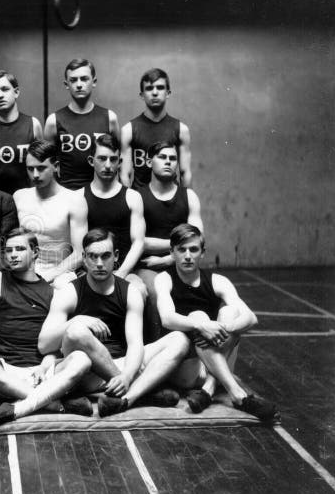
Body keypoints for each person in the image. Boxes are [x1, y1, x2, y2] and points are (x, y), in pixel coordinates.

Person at [38, 228, 190, 417]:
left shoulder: (130, 292)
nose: (99, 263)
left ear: (116, 256)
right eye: (93, 257)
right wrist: (76, 320)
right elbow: (44, 345)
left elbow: (136, 344)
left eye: (105, 256)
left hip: (122, 364)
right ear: (84, 258)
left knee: (179, 339)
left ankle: (128, 397)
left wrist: (126, 375)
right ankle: (142, 390)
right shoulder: (70, 292)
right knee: (76, 331)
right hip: (86, 371)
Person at [0, 229, 93, 429]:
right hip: (8, 371)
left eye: (19, 249)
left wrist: (45, 366)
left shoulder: (53, 292)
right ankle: (54, 404)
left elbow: (54, 344)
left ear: (35, 252)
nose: (13, 255)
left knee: (83, 360)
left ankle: (24, 402)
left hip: (43, 372)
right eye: (9, 251)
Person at [154, 224, 277, 420]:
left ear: (202, 253)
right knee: (198, 316)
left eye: (193, 249)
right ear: (172, 252)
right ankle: (238, 394)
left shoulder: (217, 280)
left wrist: (224, 328)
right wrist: (202, 325)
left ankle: (208, 390)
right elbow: (167, 318)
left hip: (212, 364)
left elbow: (250, 317)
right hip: (185, 369)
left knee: (230, 312)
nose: (187, 255)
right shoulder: (164, 279)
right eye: (181, 250)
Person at [136, 141, 203, 341]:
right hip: (147, 267)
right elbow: (139, 241)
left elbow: (197, 238)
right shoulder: (137, 197)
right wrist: (178, 247)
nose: (168, 162)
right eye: (162, 157)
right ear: (149, 162)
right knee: (157, 291)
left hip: (180, 263)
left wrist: (168, 259)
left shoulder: (189, 196)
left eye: (172, 158)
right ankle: (160, 351)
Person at [13, 140, 87, 283]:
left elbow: (80, 253)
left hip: (61, 273)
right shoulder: (19, 197)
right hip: (25, 270)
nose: (35, 175)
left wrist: (48, 277)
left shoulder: (74, 200)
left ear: (56, 166)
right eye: (30, 169)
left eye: (41, 168)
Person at [43, 58, 120, 190]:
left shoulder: (109, 118)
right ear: (66, 84)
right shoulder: (53, 121)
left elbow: (119, 158)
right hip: (67, 192)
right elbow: (47, 164)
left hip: (101, 192)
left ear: (94, 82)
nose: (79, 84)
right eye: (73, 80)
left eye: (84, 79)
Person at [80, 133, 145, 279]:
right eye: (102, 159)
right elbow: (78, 248)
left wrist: (120, 274)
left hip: (125, 271)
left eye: (113, 159)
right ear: (91, 161)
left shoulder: (132, 197)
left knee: (139, 291)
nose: (108, 165)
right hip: (88, 271)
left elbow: (139, 243)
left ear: (120, 162)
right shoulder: (79, 197)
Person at [119, 67, 192, 189]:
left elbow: (185, 173)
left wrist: (185, 203)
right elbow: (124, 175)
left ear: (168, 93)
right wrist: (130, 204)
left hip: (171, 201)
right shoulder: (128, 130)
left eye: (160, 87)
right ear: (142, 95)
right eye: (149, 88)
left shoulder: (181, 129)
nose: (154, 92)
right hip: (140, 200)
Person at [0, 69, 42, 193]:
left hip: (24, 198)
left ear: (16, 92)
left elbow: (41, 167)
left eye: (5, 89)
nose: (0, 95)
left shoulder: (33, 124)